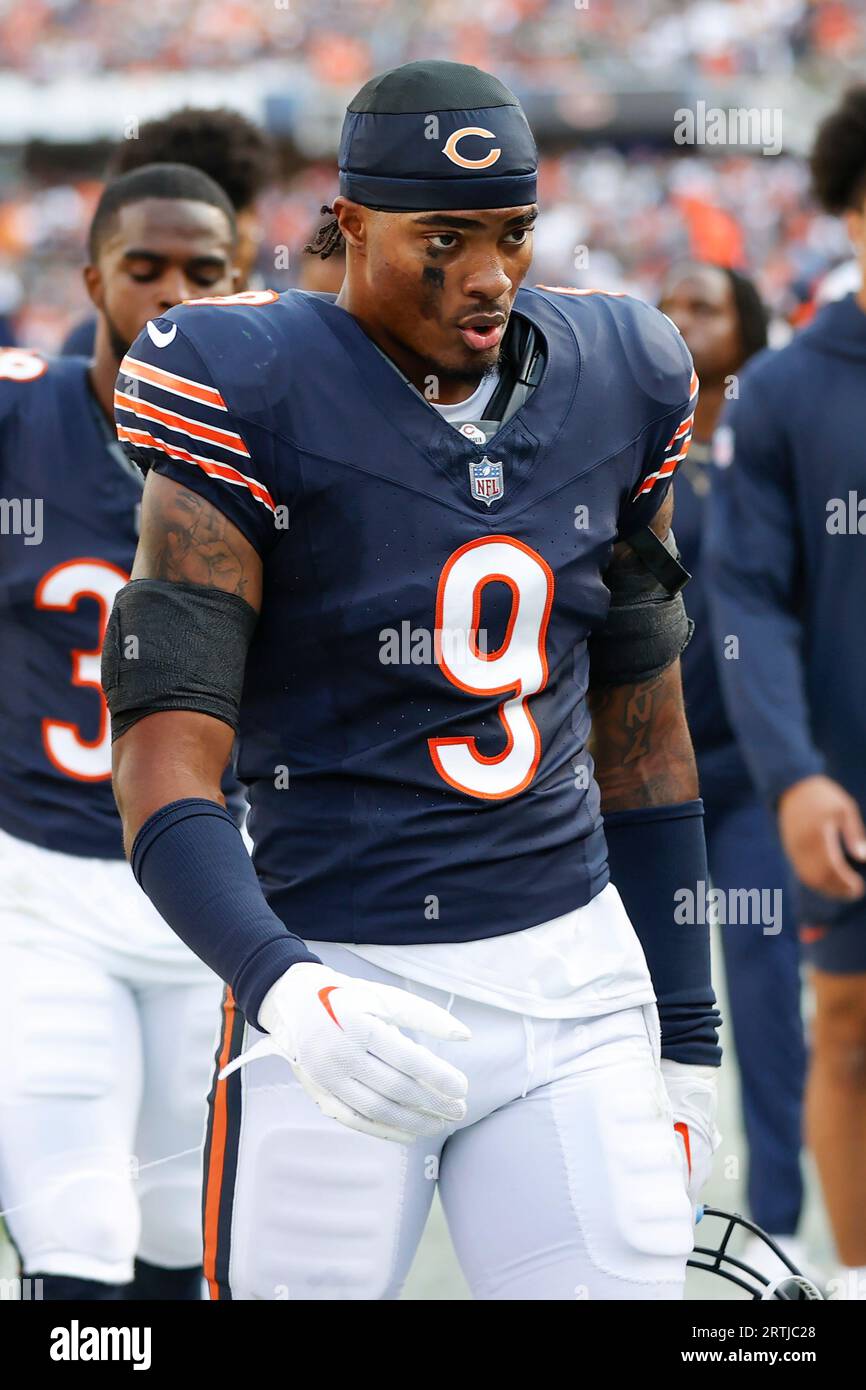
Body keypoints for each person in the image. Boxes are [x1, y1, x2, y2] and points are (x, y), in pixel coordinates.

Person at [105, 60, 720, 1301]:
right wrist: (281, 981)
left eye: (512, 233)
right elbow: (162, 765)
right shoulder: (242, 381)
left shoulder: (624, 369)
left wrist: (687, 1037)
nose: (489, 274)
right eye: (445, 237)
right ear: (345, 227)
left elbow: (641, 733)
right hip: (344, 975)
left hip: (572, 982)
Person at [0, 164, 240, 1300]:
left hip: (205, 888)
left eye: (203, 271)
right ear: (93, 275)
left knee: (179, 1244)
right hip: (38, 885)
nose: (170, 293)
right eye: (144, 268)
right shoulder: (17, 415)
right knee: (77, 1238)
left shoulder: (276, 447)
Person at [706, 84, 866, 1297]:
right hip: (833, 777)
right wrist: (797, 772)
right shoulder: (789, 390)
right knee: (845, 1029)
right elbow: (747, 600)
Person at [659, 264, 807, 1276]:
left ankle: (778, 1221)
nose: (679, 320)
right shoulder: (627, 447)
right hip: (649, 787)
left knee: (763, 1002)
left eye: (703, 305)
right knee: (648, 1012)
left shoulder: (771, 448)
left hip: (750, 780)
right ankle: (649, 1217)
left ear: (747, 334)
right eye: (667, 306)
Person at [61, 107, 275, 358]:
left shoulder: (287, 328)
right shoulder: (92, 345)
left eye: (203, 272)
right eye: (146, 269)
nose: (177, 294)